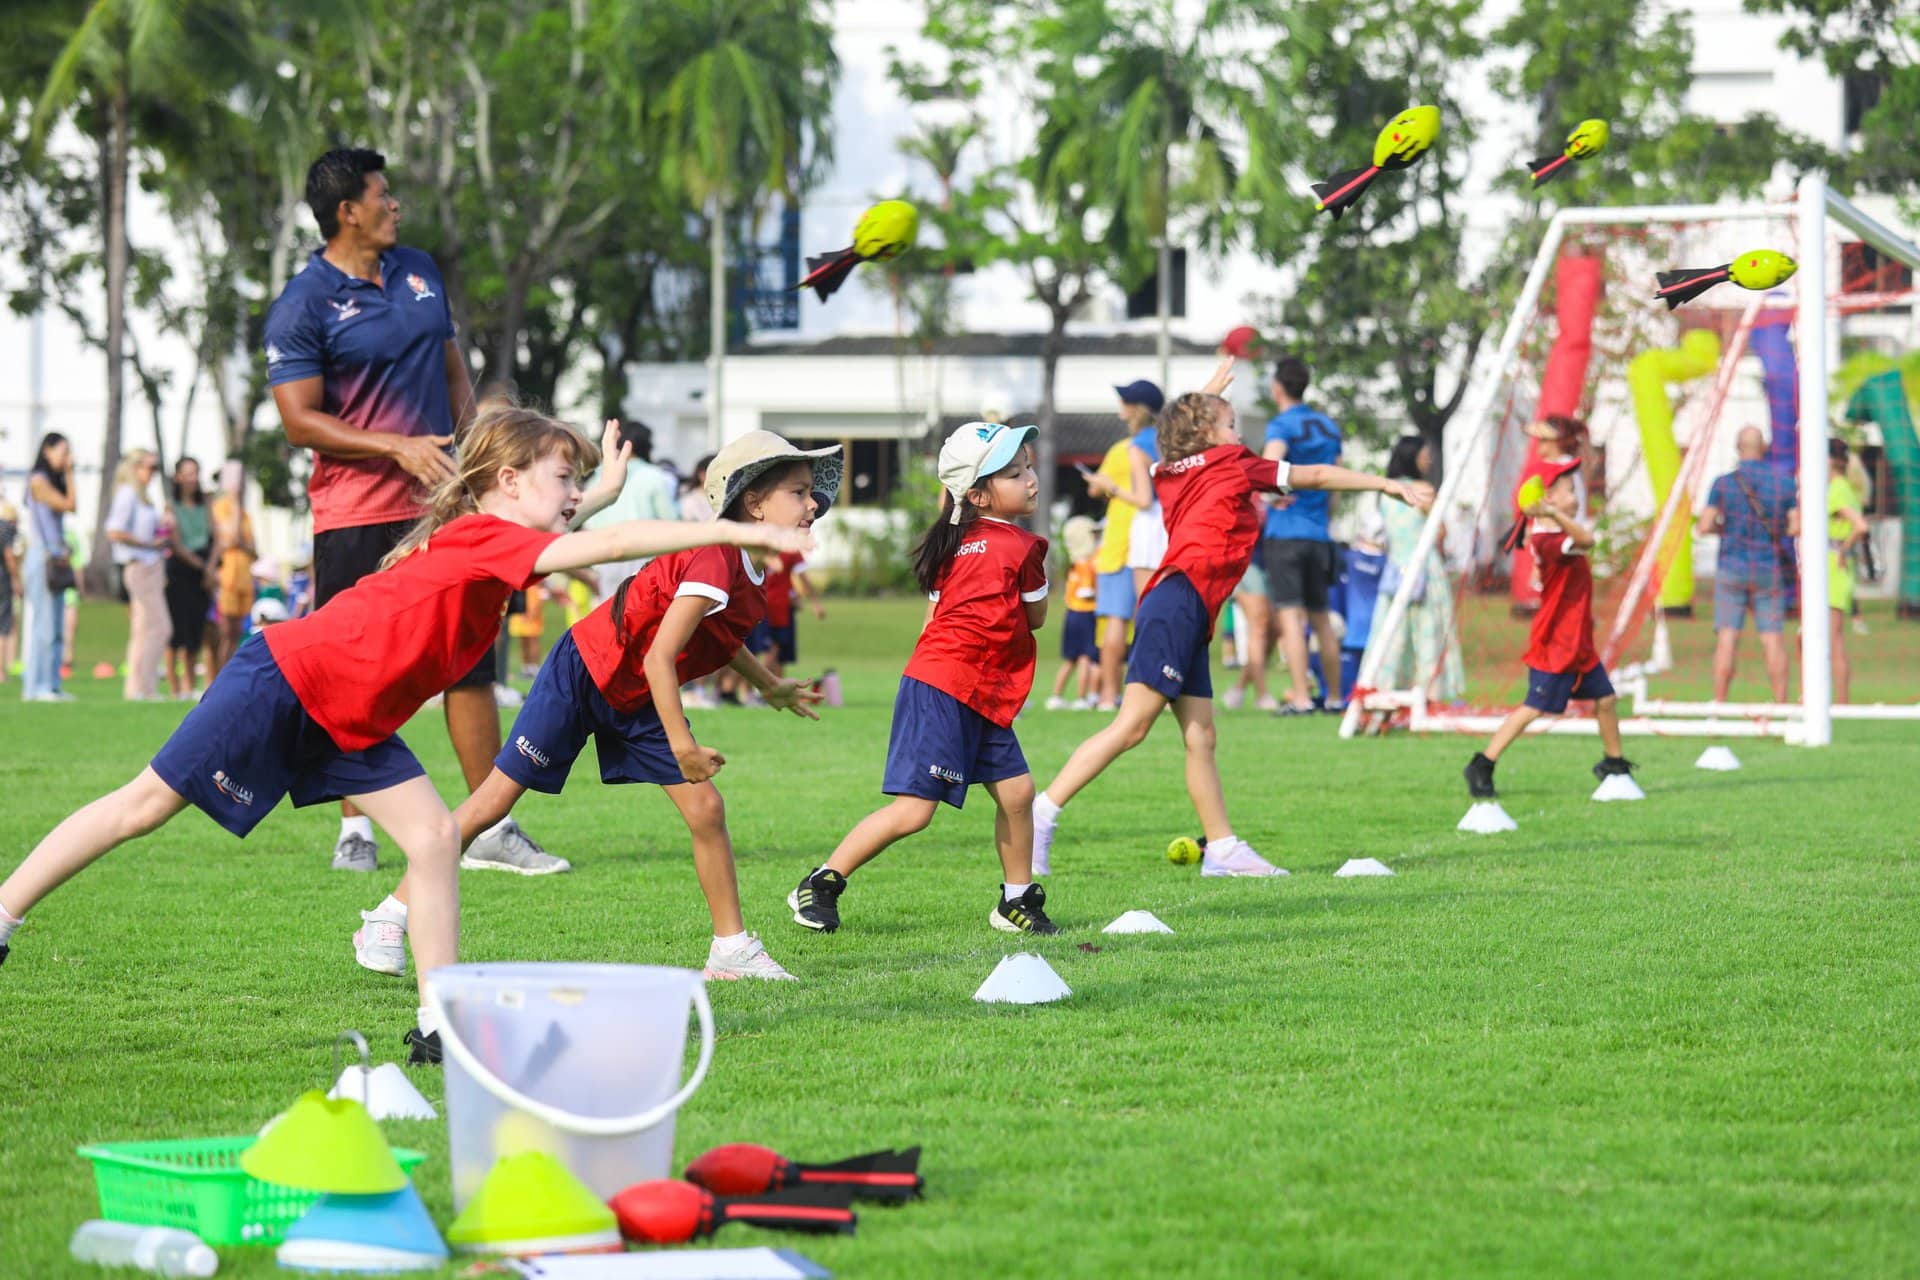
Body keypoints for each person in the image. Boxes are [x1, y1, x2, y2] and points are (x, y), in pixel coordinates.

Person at [0, 409, 810, 1064]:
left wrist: (603, 486)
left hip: (353, 717)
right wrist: (736, 533)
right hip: (288, 681)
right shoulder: (493, 538)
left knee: (431, 838)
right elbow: (601, 546)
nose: (574, 493)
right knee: (144, 806)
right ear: (508, 480)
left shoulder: (493, 536)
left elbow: (576, 529)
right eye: (563, 479)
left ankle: (436, 1023)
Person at [351, 431, 836, 983]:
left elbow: (719, 636)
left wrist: (769, 685)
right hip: (585, 669)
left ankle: (731, 951)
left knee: (706, 811)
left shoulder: (749, 566)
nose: (812, 503)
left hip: (633, 692)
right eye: (798, 492)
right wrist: (683, 746)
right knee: (492, 805)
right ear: (754, 502)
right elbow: (659, 658)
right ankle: (387, 917)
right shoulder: (716, 559)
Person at [265, 146, 552, 876]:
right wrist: (395, 447)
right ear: (347, 212)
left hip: (445, 511)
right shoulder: (301, 304)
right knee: (352, 674)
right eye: (382, 195)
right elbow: (299, 420)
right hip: (355, 515)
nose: (395, 205)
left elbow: (452, 364)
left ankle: (491, 826)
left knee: (472, 667)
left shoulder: (420, 270)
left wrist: (475, 453)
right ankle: (355, 832)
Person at [1032, 359, 1433, 877]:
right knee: (1131, 728)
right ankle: (1043, 812)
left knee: (1201, 737)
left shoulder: (1170, 470)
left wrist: (1203, 398)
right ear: (1207, 432)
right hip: (1178, 602)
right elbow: (1312, 475)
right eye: (1231, 425)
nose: (1239, 436)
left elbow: (1176, 435)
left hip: (1187, 607)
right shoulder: (1231, 463)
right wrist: (1385, 484)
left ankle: (1221, 850)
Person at [789, 422, 1058, 936]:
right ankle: (821, 882)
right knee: (915, 811)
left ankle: (1016, 901)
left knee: (1018, 793)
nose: (1031, 479)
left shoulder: (950, 544)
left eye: (1028, 467)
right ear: (976, 494)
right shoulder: (1023, 548)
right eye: (1015, 472)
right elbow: (1038, 618)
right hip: (946, 688)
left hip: (966, 690)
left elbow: (933, 619)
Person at [1464, 460, 1634, 799]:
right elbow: (1586, 539)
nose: (1577, 495)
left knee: (1605, 698)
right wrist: (1553, 516)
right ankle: (1483, 763)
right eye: (1570, 491)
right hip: (1556, 641)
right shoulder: (1549, 540)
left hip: (1577, 640)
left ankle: (1614, 764)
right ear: (1550, 500)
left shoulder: (1552, 533)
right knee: (1533, 707)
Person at [1260, 356, 1346, 714]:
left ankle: (1300, 696)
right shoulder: (1327, 427)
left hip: (1286, 533)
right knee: (1321, 618)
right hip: (1319, 533)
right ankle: (1335, 697)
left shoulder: (1282, 424)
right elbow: (1337, 482)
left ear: (1277, 387)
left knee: (1290, 618)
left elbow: (1268, 468)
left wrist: (1270, 495)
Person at [1699, 426, 1799, 702]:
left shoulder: (1723, 483)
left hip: (1732, 566)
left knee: (1727, 638)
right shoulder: (1784, 483)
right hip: (1769, 568)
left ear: (1737, 447)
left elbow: (1704, 525)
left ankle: (1719, 703)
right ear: (1764, 446)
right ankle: (1781, 704)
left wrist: (1727, 529)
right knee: (1773, 638)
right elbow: (1795, 526)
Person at [1081, 386, 1160, 708]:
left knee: (1115, 620)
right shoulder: (1170, 444)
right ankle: (1156, 693)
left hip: (1121, 543)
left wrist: (1107, 487)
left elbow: (1098, 491)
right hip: (1158, 543)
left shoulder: (1125, 449)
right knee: (1154, 618)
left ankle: (1109, 695)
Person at [1374, 436, 1464, 703]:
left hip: (1394, 568)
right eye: (1425, 454)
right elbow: (1440, 531)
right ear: (1413, 457)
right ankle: (1430, 691)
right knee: (1429, 633)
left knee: (1392, 635)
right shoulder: (1422, 489)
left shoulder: (1385, 492)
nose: (1429, 459)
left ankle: (1386, 687)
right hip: (1424, 568)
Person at [104, 450, 174, 700]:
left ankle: (136, 689)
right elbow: (114, 530)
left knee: (143, 629)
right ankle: (146, 686)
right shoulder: (128, 493)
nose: (152, 473)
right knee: (160, 628)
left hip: (149, 566)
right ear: (135, 468)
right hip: (140, 566)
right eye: (148, 467)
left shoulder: (143, 496)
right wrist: (147, 544)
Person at [21, 433, 76, 702]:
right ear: (47, 450)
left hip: (56, 557)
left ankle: (52, 684)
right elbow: (70, 504)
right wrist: (70, 473)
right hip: (41, 556)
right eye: (63, 452)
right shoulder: (38, 481)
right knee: (42, 625)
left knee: (55, 626)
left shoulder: (50, 480)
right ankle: (36, 685)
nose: (67, 458)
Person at [1825, 437, 1870, 704]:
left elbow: (1861, 526)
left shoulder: (1838, 490)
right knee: (1827, 637)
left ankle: (1841, 703)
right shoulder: (1843, 487)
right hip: (1834, 567)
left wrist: (1842, 550)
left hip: (1834, 567)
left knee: (1832, 638)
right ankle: (1831, 699)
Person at [163, 458, 214, 699]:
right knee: (176, 632)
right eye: (187, 473)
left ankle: (189, 685)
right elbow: (176, 543)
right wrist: (203, 567)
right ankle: (174, 687)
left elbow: (215, 536)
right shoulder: (171, 506)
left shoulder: (206, 504)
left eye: (195, 472)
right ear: (178, 477)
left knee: (195, 629)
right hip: (181, 572)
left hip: (201, 573)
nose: (192, 478)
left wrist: (210, 567)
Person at [206, 460, 256, 682]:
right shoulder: (220, 509)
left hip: (243, 576)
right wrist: (234, 503)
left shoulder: (245, 514)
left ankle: (226, 678)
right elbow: (231, 538)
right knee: (223, 631)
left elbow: (253, 549)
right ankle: (215, 678)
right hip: (226, 576)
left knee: (236, 632)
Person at [1045, 515, 1100, 710]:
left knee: (1070, 659)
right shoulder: (1086, 564)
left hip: (1071, 614)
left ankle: (1056, 696)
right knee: (1085, 657)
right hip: (1085, 614)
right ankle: (1081, 697)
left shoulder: (1074, 563)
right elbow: (1086, 593)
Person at [756, 550, 823, 679]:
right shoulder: (790, 548)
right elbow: (803, 579)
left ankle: (776, 690)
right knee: (774, 650)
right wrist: (815, 603)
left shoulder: (763, 545)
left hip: (762, 602)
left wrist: (793, 594)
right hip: (779, 608)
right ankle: (763, 689)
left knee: (776, 652)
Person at [0, 496, 18, 686]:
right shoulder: (6, 529)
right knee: (3, 625)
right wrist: (17, 579)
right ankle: (0, 671)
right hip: (2, 580)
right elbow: (9, 556)